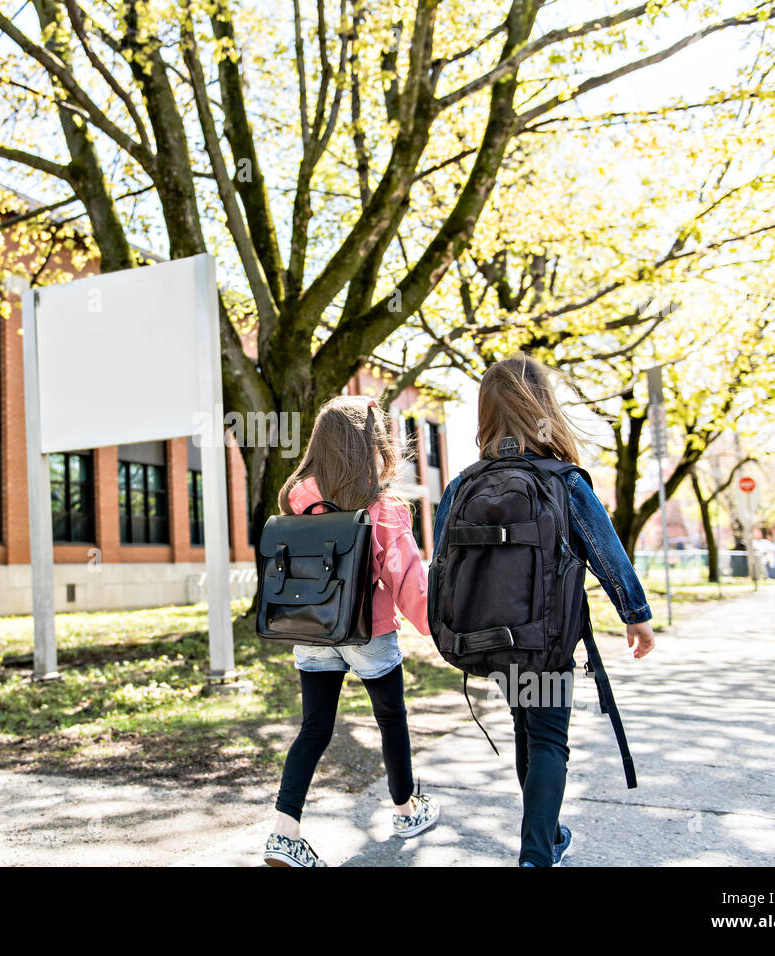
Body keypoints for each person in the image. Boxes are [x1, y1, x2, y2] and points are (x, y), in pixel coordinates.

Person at [433, 354, 656, 867]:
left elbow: (439, 565)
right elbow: (606, 553)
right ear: (544, 408)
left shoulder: (462, 484)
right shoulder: (563, 480)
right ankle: (536, 853)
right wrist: (635, 613)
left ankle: (548, 836)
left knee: (524, 730)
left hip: (489, 638)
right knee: (549, 740)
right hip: (547, 641)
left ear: (486, 413)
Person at [264, 395, 441, 867]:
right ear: (370, 444)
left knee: (314, 727)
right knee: (391, 718)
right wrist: (438, 630)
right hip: (370, 631)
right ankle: (405, 810)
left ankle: (284, 832)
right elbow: (406, 579)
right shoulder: (382, 505)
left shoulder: (295, 499)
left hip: (313, 628)